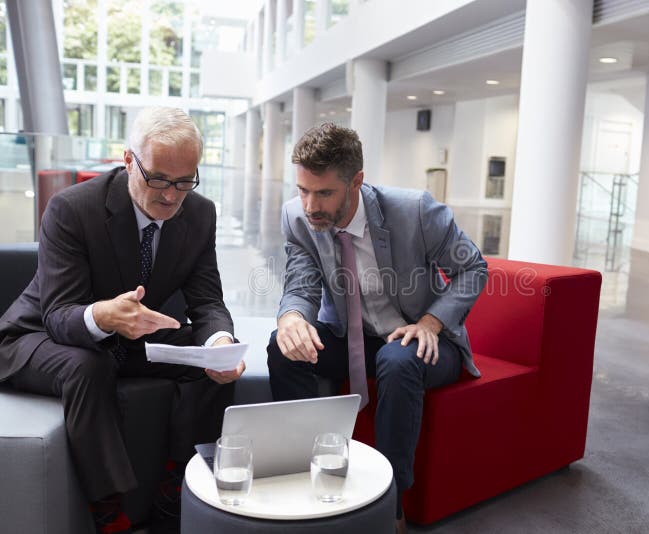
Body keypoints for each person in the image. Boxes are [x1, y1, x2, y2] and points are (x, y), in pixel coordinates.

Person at [0, 107, 245, 534]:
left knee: (210, 362)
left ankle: (177, 488)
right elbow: (58, 316)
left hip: (128, 337)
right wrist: (103, 315)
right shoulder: (72, 209)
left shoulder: (200, 214)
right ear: (129, 160)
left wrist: (220, 343)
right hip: (37, 335)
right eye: (159, 179)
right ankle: (110, 512)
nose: (171, 196)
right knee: (86, 365)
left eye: (185, 181)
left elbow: (207, 302)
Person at [267, 123, 487, 533]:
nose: (310, 205)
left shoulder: (415, 210)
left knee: (399, 359)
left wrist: (431, 321)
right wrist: (292, 318)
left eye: (324, 193)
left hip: (422, 342)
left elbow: (473, 267)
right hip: (353, 338)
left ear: (356, 182)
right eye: (302, 190)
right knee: (283, 347)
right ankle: (301, 479)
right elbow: (300, 282)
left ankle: (390, 506)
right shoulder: (297, 217)